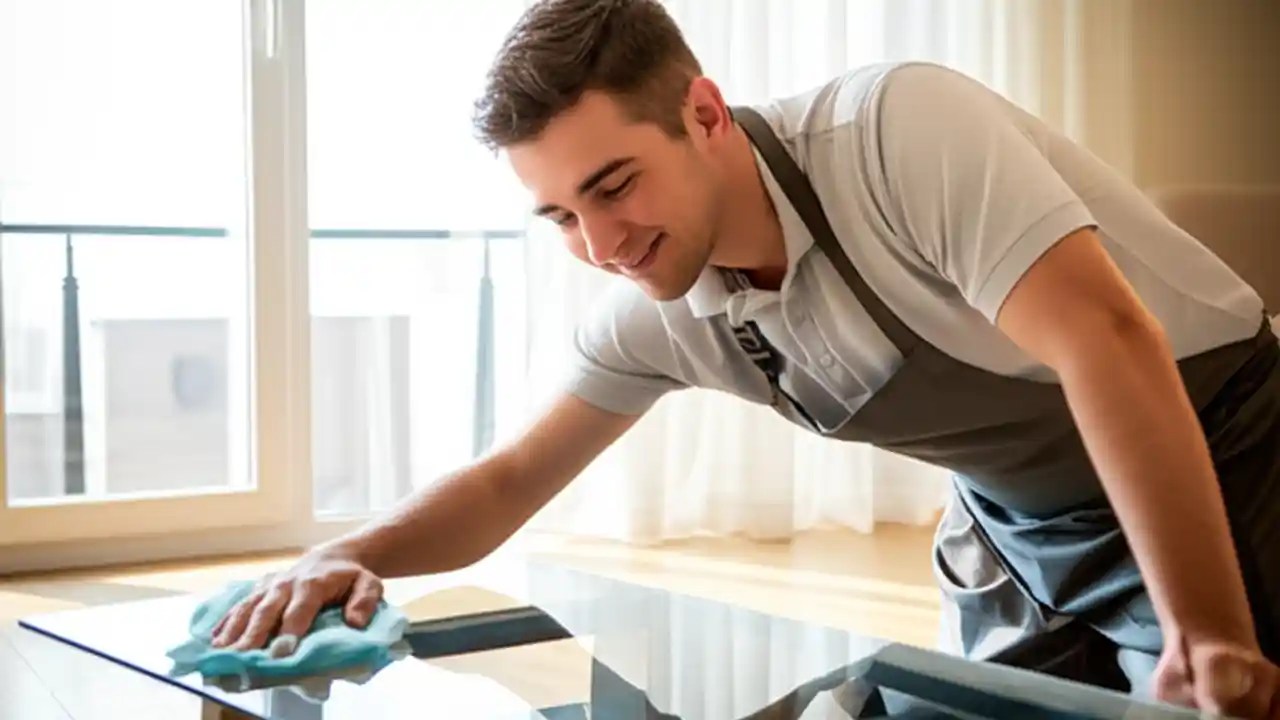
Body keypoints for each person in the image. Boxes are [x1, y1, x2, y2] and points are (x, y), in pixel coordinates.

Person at [211, 0, 1280, 715]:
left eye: (615, 185)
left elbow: (1106, 341)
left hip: (1227, 450)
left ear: (705, 112)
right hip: (1011, 528)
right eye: (561, 216)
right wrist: (337, 555)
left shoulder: (898, 129)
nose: (602, 245)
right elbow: (508, 481)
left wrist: (1207, 631)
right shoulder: (656, 307)